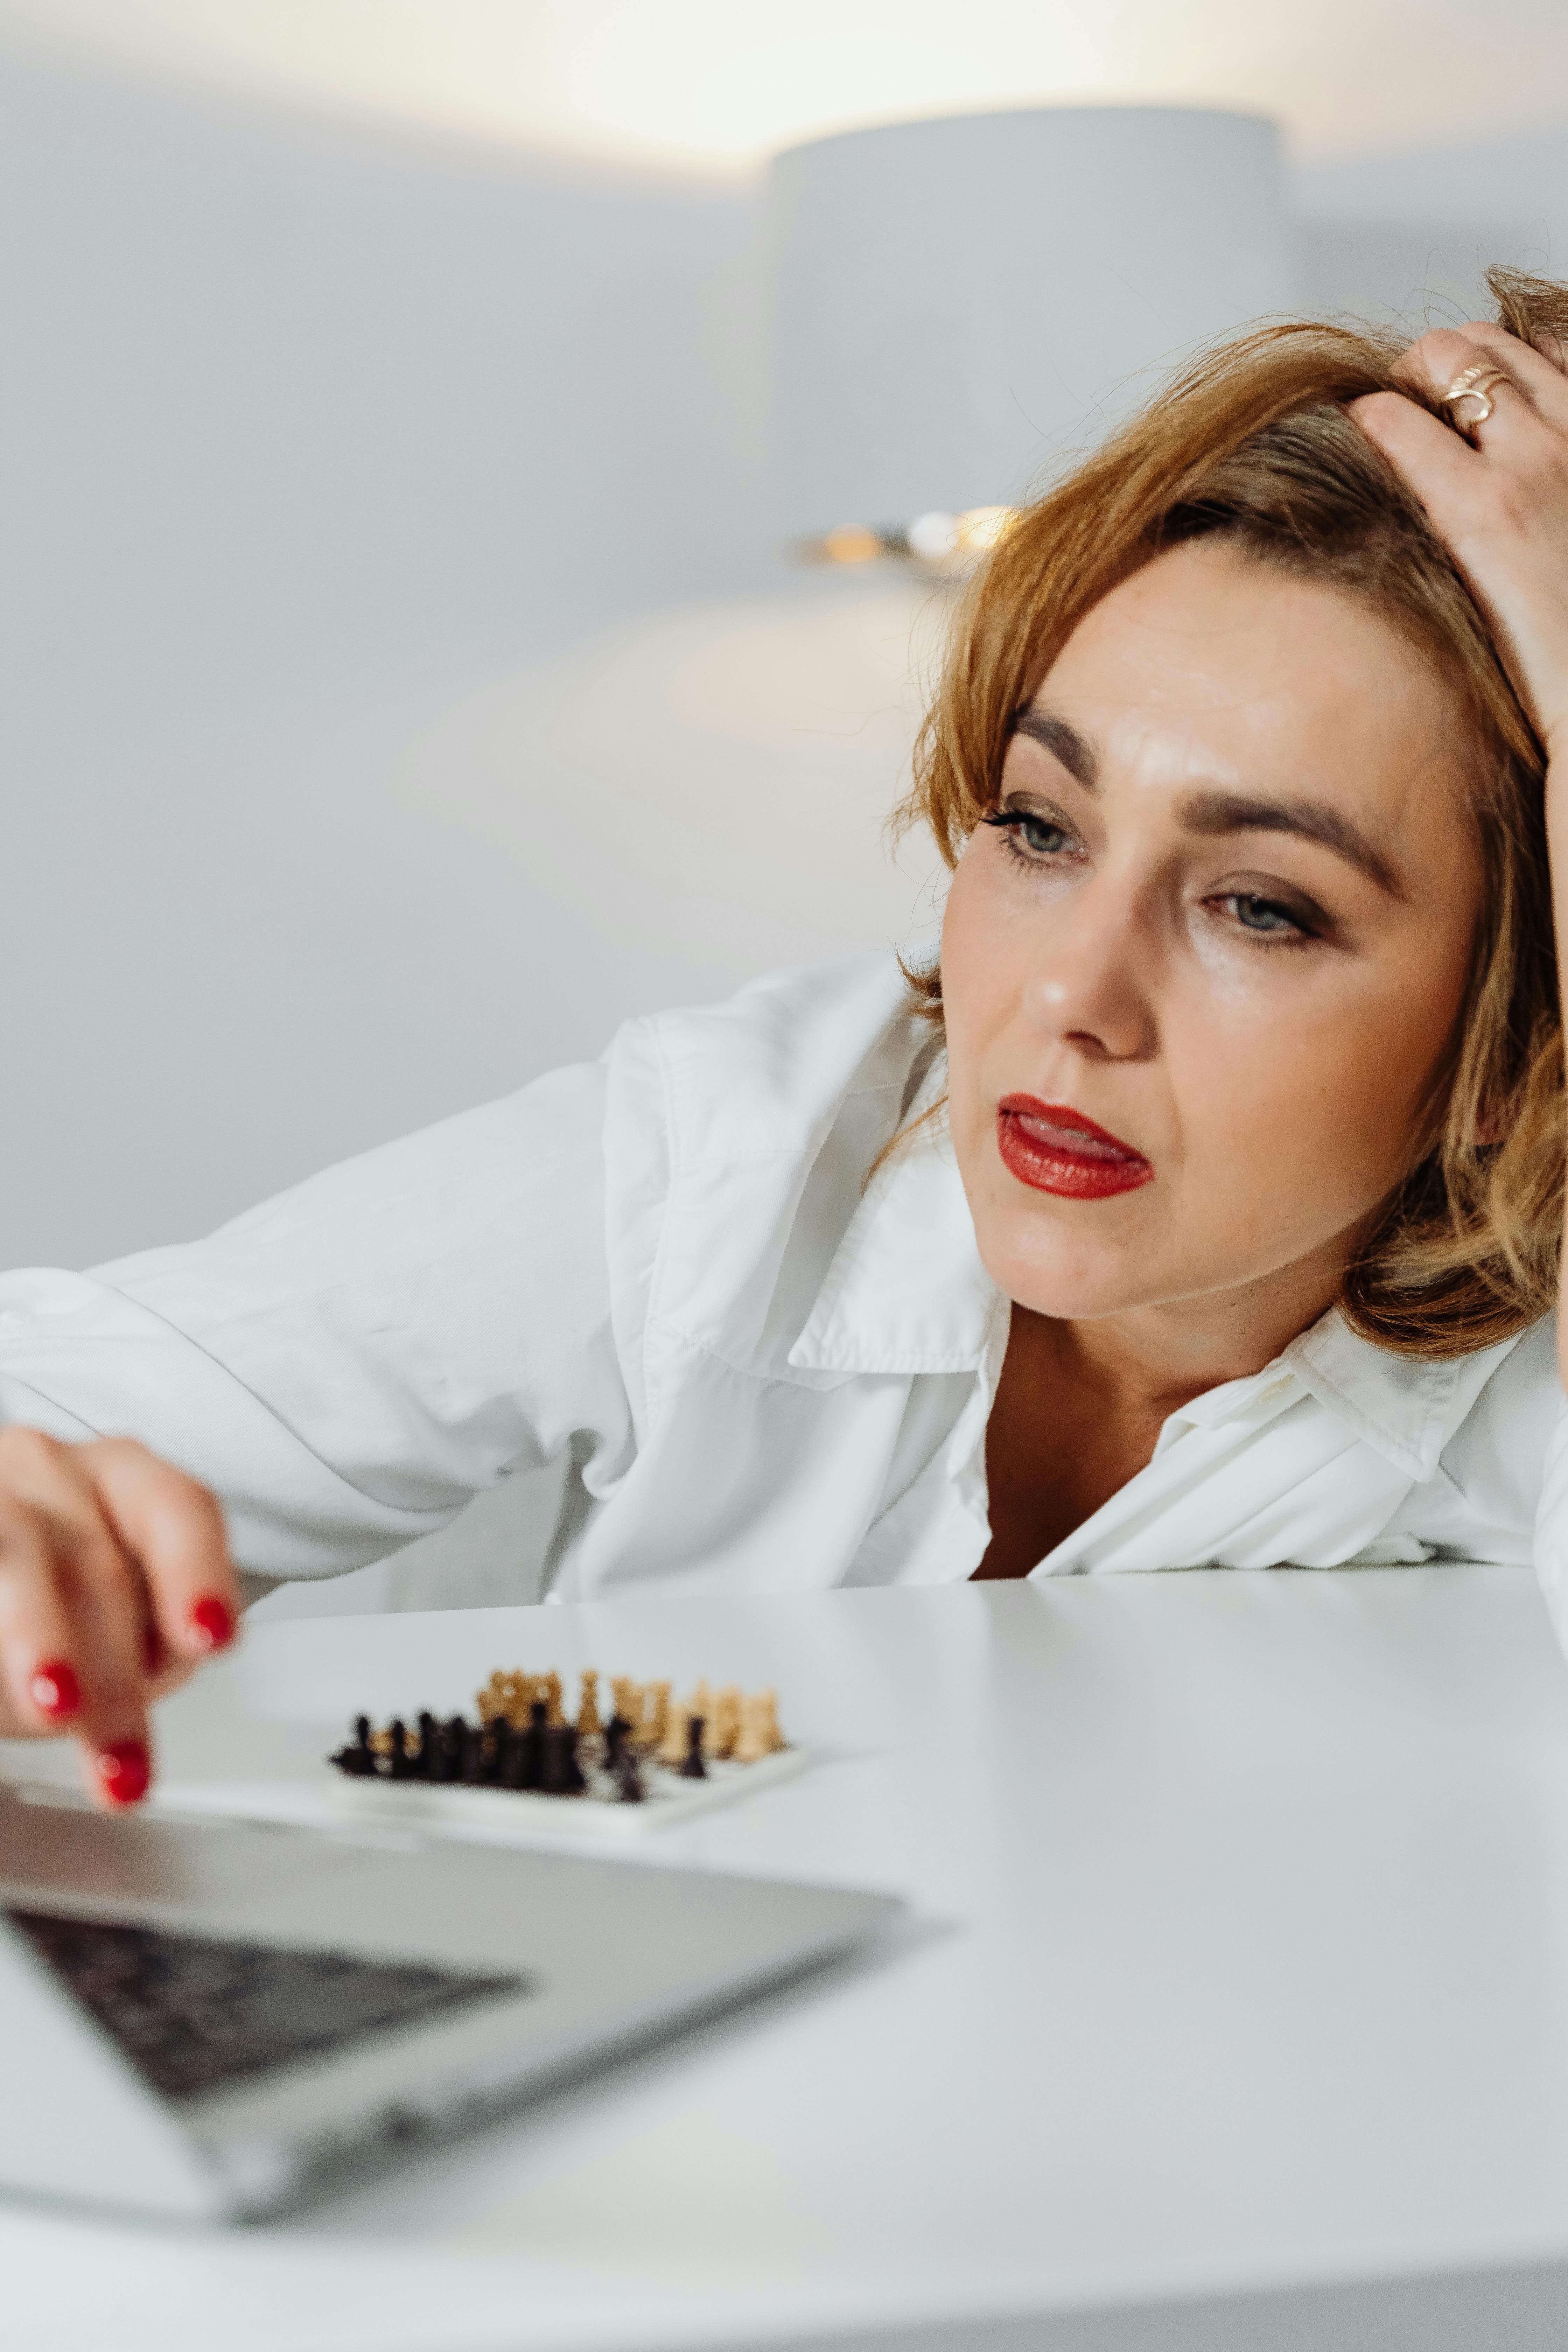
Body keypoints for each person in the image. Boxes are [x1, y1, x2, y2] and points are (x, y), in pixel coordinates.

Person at [5, 271, 1568, 1809]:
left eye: (1261, 908)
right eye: (1039, 825)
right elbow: (66, 1402)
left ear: (1510, 1056)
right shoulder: (738, 1150)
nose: (1069, 999)